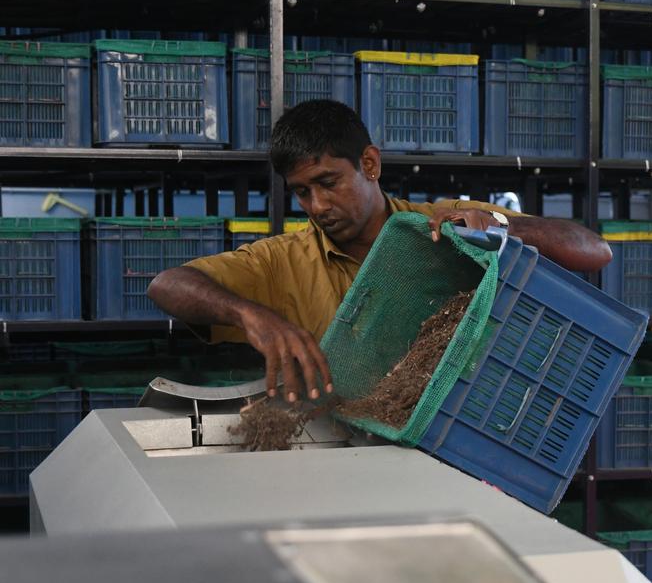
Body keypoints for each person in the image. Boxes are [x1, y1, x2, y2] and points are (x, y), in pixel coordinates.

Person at [148, 99, 612, 405]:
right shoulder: (280, 262)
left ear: (369, 164)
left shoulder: (447, 223)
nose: (318, 206)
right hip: (345, 448)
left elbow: (594, 250)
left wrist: (502, 227)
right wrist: (251, 316)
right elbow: (168, 284)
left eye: (328, 184)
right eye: (302, 193)